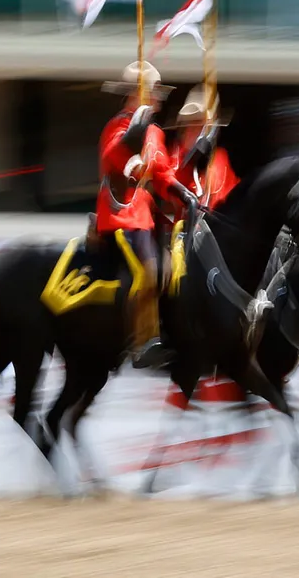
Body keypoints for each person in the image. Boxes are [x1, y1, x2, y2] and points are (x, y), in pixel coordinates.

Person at [97, 61, 198, 369]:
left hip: (148, 216)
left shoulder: (154, 132)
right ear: (135, 95)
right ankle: (141, 343)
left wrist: (182, 192)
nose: (158, 100)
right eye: (152, 93)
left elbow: (163, 173)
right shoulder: (117, 126)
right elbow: (115, 160)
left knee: (174, 269)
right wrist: (132, 135)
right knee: (149, 272)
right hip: (122, 214)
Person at [168, 84, 238, 215]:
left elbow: (220, 203)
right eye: (188, 125)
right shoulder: (176, 158)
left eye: (198, 125)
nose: (190, 131)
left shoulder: (219, 160)